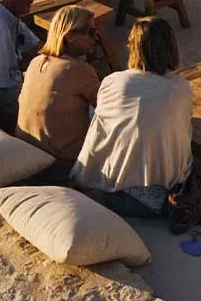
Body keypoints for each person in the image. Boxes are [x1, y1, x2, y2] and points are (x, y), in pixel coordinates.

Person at [70, 16, 194, 219]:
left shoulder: (113, 81)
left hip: (109, 190)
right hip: (162, 198)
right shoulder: (181, 89)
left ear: (134, 48)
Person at [17, 5, 105, 178]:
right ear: (70, 36)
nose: (96, 38)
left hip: (27, 153)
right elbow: (109, 110)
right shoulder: (79, 70)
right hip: (62, 165)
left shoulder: (36, 62)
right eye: (90, 32)